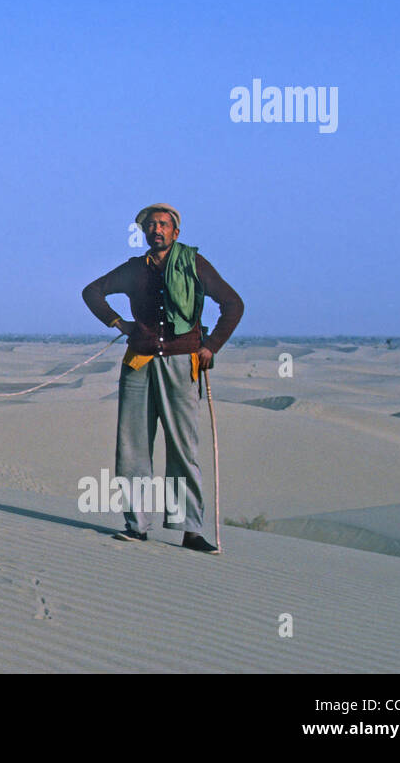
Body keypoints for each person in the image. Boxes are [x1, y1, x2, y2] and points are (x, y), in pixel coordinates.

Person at [81, 204, 244, 552]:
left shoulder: (194, 263)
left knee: (183, 448)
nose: (157, 230)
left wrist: (211, 346)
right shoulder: (133, 269)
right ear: (143, 232)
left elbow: (233, 304)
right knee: (133, 446)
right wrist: (118, 323)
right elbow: (91, 292)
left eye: (164, 225)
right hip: (138, 361)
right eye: (151, 225)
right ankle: (136, 525)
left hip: (182, 361)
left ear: (176, 232)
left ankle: (191, 530)